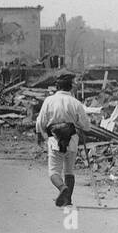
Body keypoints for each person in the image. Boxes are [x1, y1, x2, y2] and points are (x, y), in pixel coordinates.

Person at [35, 73, 91, 207]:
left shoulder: (49, 101)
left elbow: (40, 121)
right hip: (71, 140)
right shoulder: (76, 103)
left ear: (57, 86)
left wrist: (39, 135)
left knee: (53, 172)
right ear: (70, 87)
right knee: (69, 171)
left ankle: (62, 188)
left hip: (55, 140)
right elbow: (86, 126)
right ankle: (68, 199)